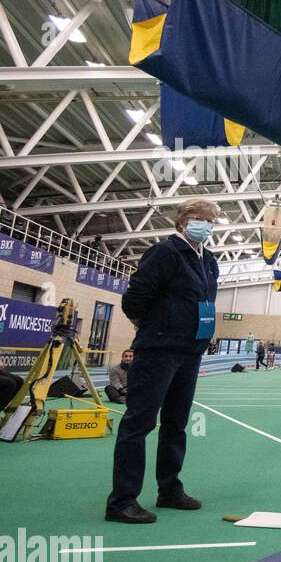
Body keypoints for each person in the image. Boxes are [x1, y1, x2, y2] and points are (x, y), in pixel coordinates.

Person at [106, 198, 220, 524]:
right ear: (183, 221)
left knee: (176, 424)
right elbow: (134, 300)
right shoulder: (165, 253)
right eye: (200, 218)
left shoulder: (208, 260)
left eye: (212, 219)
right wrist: (155, 328)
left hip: (190, 352)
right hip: (158, 350)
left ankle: (169, 489)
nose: (207, 224)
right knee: (139, 423)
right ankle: (122, 501)